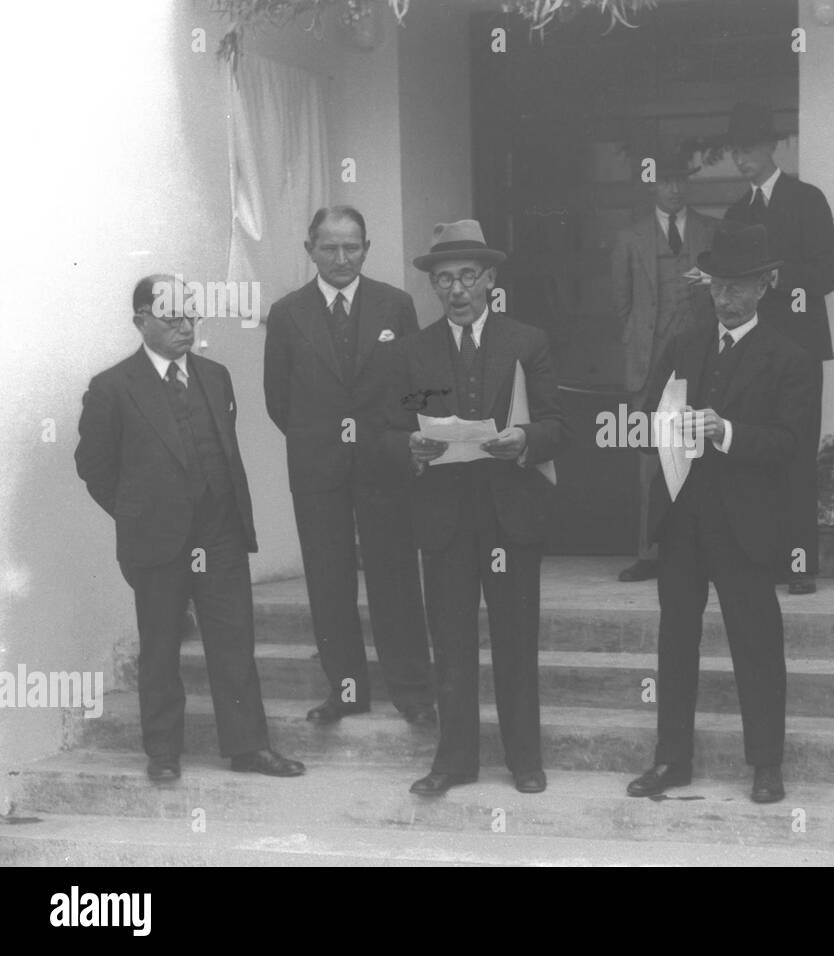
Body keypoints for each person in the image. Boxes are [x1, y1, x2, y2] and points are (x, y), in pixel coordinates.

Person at [75, 275, 304, 782]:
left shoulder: (216, 376)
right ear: (141, 322)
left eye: (190, 315)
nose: (185, 326)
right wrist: (137, 515)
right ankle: (163, 753)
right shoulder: (113, 388)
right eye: (171, 317)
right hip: (157, 542)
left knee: (234, 642)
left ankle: (249, 747)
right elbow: (93, 466)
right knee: (159, 645)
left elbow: (221, 450)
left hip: (219, 534)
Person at [625, 223, 817, 804]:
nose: (724, 299)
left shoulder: (792, 357)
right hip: (683, 515)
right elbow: (642, 419)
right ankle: (671, 760)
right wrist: (658, 428)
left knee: (755, 643)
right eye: (716, 287)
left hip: (747, 522)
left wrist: (726, 431)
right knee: (675, 643)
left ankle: (765, 764)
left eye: (738, 288)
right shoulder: (684, 343)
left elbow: (791, 444)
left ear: (766, 286)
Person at [386, 220, 570, 796]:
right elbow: (389, 427)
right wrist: (408, 448)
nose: (457, 290)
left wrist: (526, 442)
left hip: (509, 514)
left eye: (468, 276)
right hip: (444, 518)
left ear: (490, 279)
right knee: (452, 641)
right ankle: (455, 760)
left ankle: (524, 760)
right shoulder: (413, 352)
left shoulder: (526, 341)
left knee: (516, 638)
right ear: (433, 287)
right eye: (445, 280)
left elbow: (558, 425)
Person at [263, 206, 433, 726]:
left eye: (352, 246)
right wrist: (320, 441)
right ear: (310, 249)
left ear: (366, 247)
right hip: (318, 469)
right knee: (328, 580)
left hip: (383, 466)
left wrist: (393, 444)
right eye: (331, 247)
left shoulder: (395, 305)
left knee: (395, 577)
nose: (342, 257)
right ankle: (347, 690)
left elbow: (413, 387)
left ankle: (412, 692)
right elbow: (279, 399)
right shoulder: (288, 313)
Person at [723, 101, 834, 595]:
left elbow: (831, 273)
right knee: (754, 453)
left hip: (799, 349)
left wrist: (779, 276)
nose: (741, 159)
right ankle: (761, 560)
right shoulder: (735, 212)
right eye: (734, 152)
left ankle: (798, 567)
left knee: (794, 453)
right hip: (752, 351)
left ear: (771, 148)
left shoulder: (807, 199)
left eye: (749, 148)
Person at [611, 150, 719, 582]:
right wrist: (642, 345)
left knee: (702, 453)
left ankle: (704, 551)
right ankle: (649, 552)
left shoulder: (712, 231)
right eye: (665, 180)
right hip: (649, 362)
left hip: (701, 359)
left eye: (680, 180)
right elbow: (622, 306)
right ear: (651, 184)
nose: (673, 188)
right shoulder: (629, 238)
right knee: (649, 461)